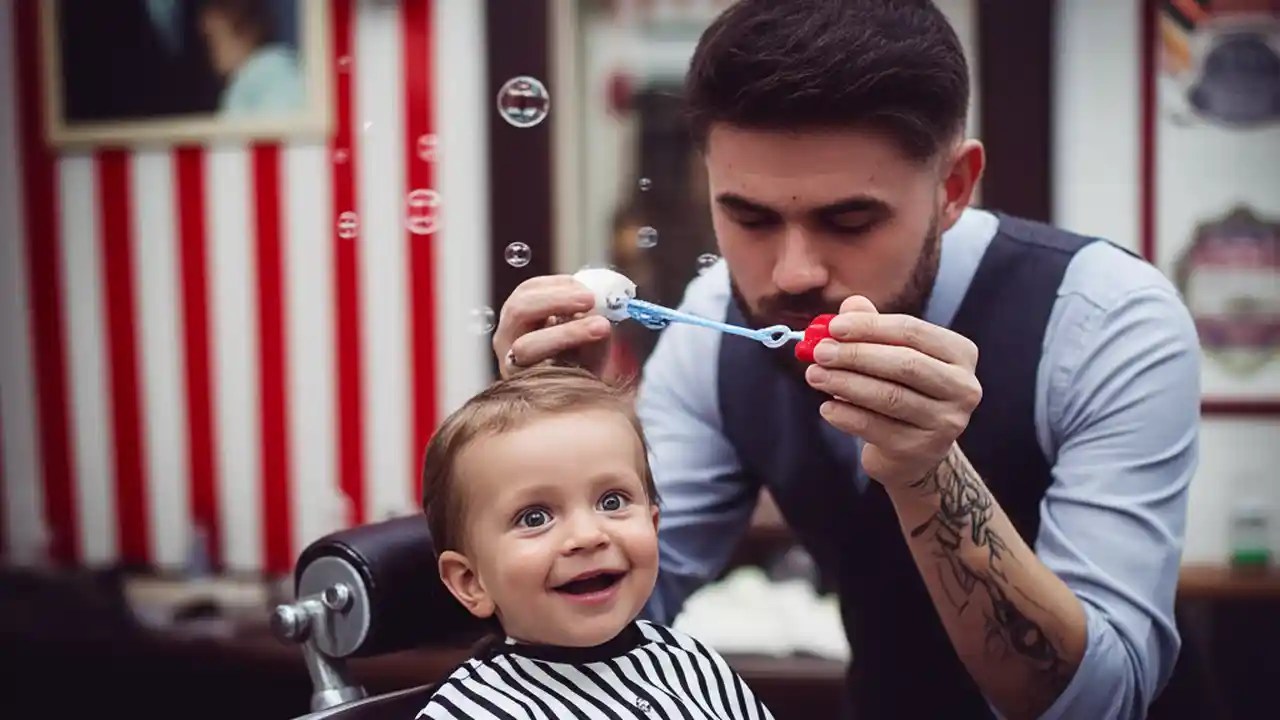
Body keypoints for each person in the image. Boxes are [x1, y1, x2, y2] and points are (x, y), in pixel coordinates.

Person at [488, 1, 1203, 719]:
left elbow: (1099, 702)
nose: (793, 273)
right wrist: (555, 439)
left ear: (953, 187)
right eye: (749, 217)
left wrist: (929, 471)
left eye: (850, 220)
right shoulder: (712, 322)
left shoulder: (1107, 320)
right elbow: (622, 614)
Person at [415, 366, 777, 720]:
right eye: (535, 517)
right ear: (470, 581)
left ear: (653, 525)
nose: (588, 536)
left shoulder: (689, 662)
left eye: (612, 501)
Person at [198, 0, 303, 116]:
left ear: (245, 31)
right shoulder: (248, 80)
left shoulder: (269, 78)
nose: (211, 50)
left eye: (213, 38)